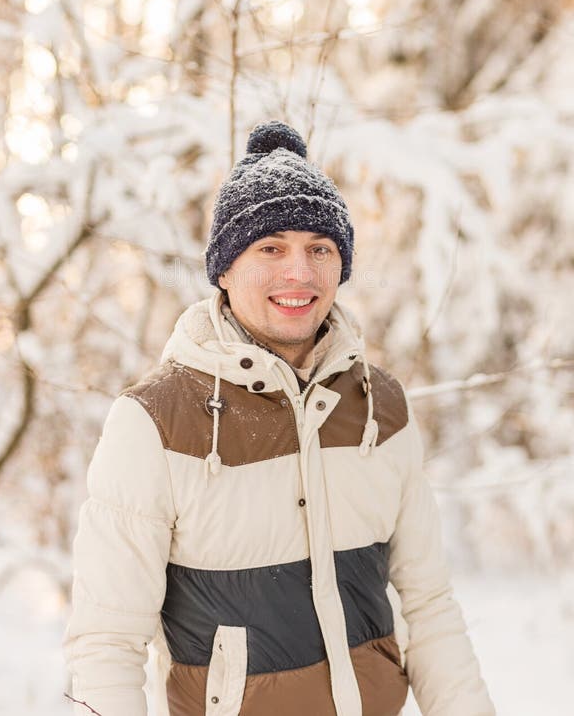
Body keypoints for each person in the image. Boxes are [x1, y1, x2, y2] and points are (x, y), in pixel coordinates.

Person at [63, 121, 495, 716]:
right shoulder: (155, 422)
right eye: (271, 248)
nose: (300, 273)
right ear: (224, 268)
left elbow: (430, 606)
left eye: (320, 249)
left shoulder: (380, 408)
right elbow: (106, 642)